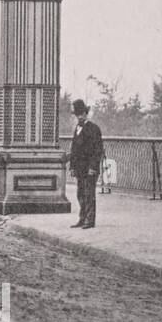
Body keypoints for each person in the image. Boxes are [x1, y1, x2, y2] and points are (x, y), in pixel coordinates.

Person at [68, 98, 105, 229]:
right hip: (79, 168)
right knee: (80, 193)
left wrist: (93, 168)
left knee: (89, 194)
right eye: (77, 115)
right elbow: (74, 150)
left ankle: (90, 220)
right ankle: (82, 218)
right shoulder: (77, 128)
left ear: (85, 113)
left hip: (89, 169)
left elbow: (97, 150)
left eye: (81, 114)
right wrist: (72, 167)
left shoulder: (94, 128)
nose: (79, 117)